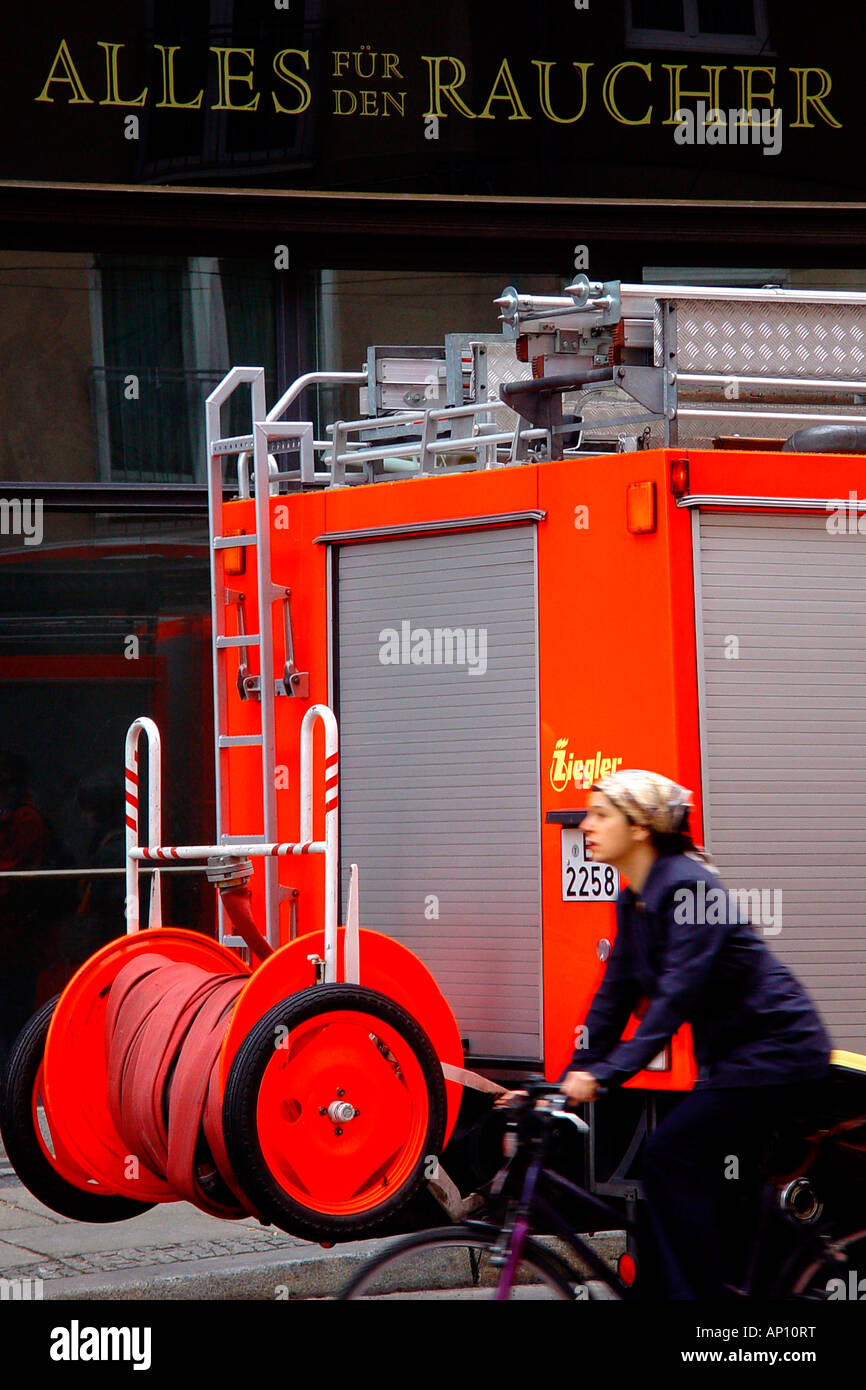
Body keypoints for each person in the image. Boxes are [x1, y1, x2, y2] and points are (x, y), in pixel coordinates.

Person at [502, 768, 832, 1299]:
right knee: (682, 1181)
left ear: (639, 828)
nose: (585, 824)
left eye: (600, 814)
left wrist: (603, 1076)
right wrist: (559, 1083)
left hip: (776, 1053)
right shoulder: (635, 896)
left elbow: (673, 1001)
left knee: (667, 1156)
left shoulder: (687, 885)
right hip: (733, 1062)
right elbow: (611, 1001)